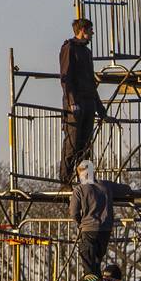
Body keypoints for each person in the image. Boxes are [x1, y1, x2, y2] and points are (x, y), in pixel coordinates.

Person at [58, 18, 109, 186]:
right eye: (90, 29)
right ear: (82, 30)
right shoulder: (69, 48)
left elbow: (91, 83)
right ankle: (65, 181)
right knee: (72, 144)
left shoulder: (86, 52)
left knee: (86, 145)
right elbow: (66, 78)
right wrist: (72, 102)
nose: (93, 33)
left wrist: (100, 109)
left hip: (88, 103)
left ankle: (86, 182)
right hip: (75, 105)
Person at [69, 160, 134, 279]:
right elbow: (127, 190)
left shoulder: (79, 189)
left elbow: (74, 212)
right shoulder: (106, 185)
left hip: (88, 229)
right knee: (97, 261)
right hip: (105, 229)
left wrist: (80, 224)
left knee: (89, 266)